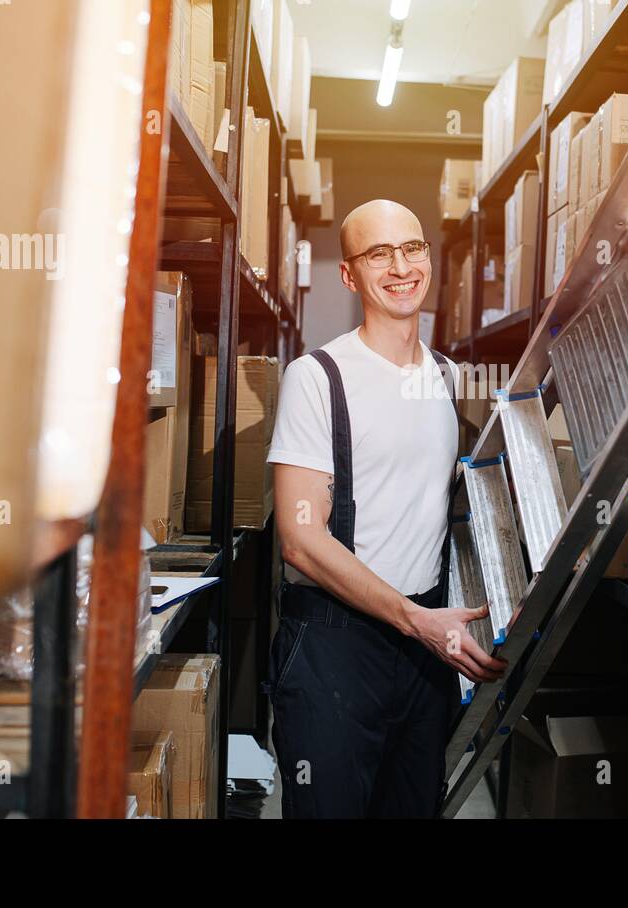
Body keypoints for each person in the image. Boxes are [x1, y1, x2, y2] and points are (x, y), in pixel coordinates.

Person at [265, 198, 508, 818]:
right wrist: (412, 619)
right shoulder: (317, 377)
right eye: (378, 254)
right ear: (349, 275)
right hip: (334, 648)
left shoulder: (449, 379)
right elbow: (300, 541)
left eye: (413, 248)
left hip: (425, 647)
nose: (400, 266)